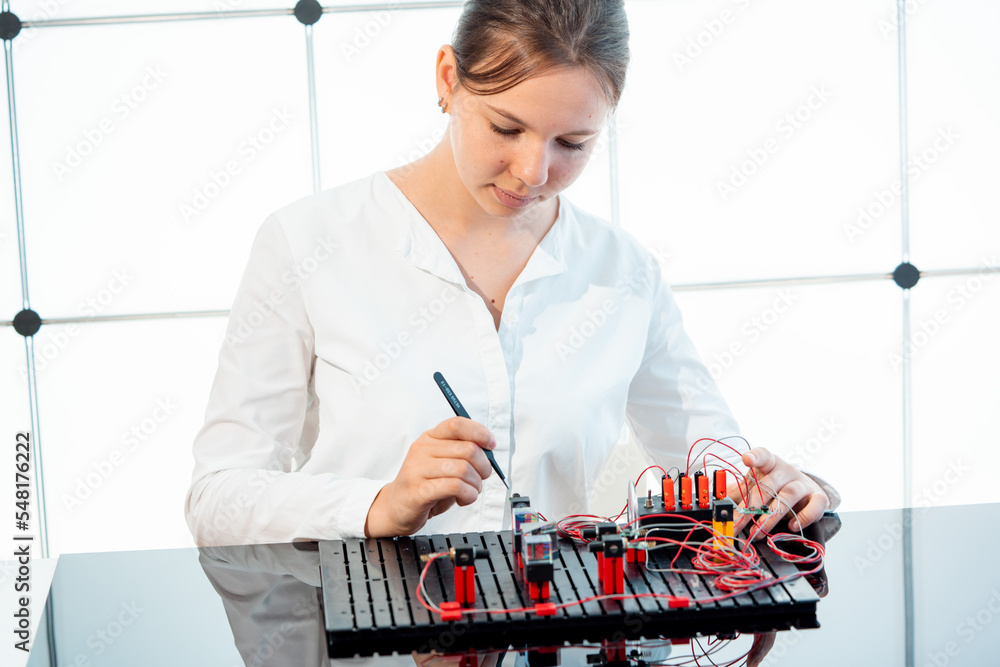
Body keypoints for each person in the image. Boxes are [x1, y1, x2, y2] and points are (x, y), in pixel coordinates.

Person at [184, 0, 839, 549]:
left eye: (572, 144)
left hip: (560, 631)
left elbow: (717, 470)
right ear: (447, 78)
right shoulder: (308, 242)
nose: (533, 171)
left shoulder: (622, 272)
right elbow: (217, 498)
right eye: (506, 126)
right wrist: (375, 504)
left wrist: (793, 491)